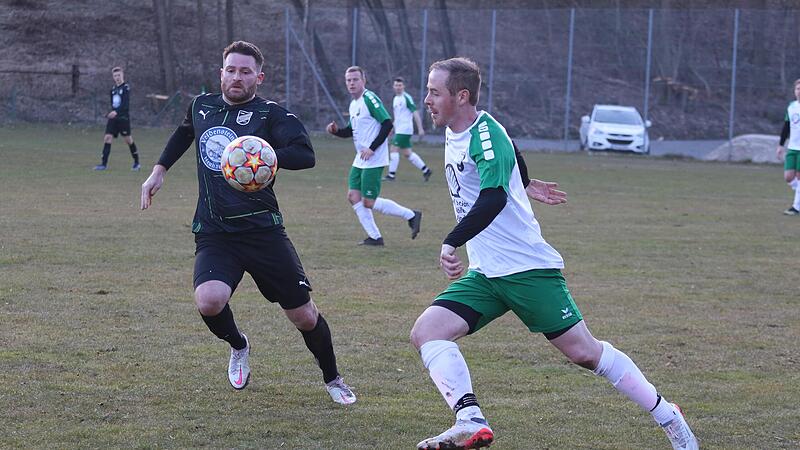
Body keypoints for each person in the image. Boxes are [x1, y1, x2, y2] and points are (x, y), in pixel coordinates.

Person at [410, 57, 699, 450]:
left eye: (433, 91)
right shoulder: (462, 127)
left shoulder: (484, 132)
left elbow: (493, 196)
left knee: (586, 353)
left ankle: (668, 415)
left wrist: (451, 239)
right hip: (487, 273)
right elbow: (509, 148)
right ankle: (469, 419)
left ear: (461, 96)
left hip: (527, 269)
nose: (426, 99)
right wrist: (524, 181)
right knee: (427, 331)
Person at [140, 41, 356, 405]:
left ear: (259, 77)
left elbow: (305, 155)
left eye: (245, 71)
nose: (236, 77)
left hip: (263, 232)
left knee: (304, 315)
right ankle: (239, 345)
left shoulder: (272, 115)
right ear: (221, 72)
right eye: (231, 70)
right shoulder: (202, 105)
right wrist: (158, 170)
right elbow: (184, 132)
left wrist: (263, 156)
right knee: (209, 301)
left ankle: (333, 378)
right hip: (215, 232)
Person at [326, 66, 422, 246]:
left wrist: (372, 148)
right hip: (361, 158)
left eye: (355, 79)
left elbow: (387, 124)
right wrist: (336, 131)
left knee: (368, 202)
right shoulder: (354, 104)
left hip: (374, 158)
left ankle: (411, 215)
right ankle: (375, 237)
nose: (352, 83)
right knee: (353, 196)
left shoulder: (369, 98)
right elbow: (350, 131)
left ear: (364, 81)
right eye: (349, 80)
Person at [385, 77, 431, 182]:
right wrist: (392, 127)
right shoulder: (395, 99)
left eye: (400, 85)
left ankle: (391, 175)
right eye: (396, 85)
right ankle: (426, 170)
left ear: (403, 86)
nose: (398, 87)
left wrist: (420, 128)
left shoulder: (407, 98)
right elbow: (398, 116)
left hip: (405, 130)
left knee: (393, 149)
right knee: (407, 153)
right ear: (393, 87)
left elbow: (415, 112)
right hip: (400, 129)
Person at [94, 67, 140, 171]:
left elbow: (125, 105)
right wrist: (111, 113)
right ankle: (103, 164)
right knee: (107, 138)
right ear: (113, 77)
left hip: (123, 118)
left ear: (122, 75)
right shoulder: (113, 90)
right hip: (114, 119)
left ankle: (136, 163)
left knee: (128, 140)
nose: (117, 77)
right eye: (115, 76)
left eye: (119, 75)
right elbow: (113, 105)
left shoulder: (126, 88)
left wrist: (116, 112)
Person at [776, 78, 800, 216]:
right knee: (788, 177)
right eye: (797, 88)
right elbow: (786, 127)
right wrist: (780, 145)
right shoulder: (791, 107)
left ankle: (796, 207)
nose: (799, 91)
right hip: (792, 147)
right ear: (794, 91)